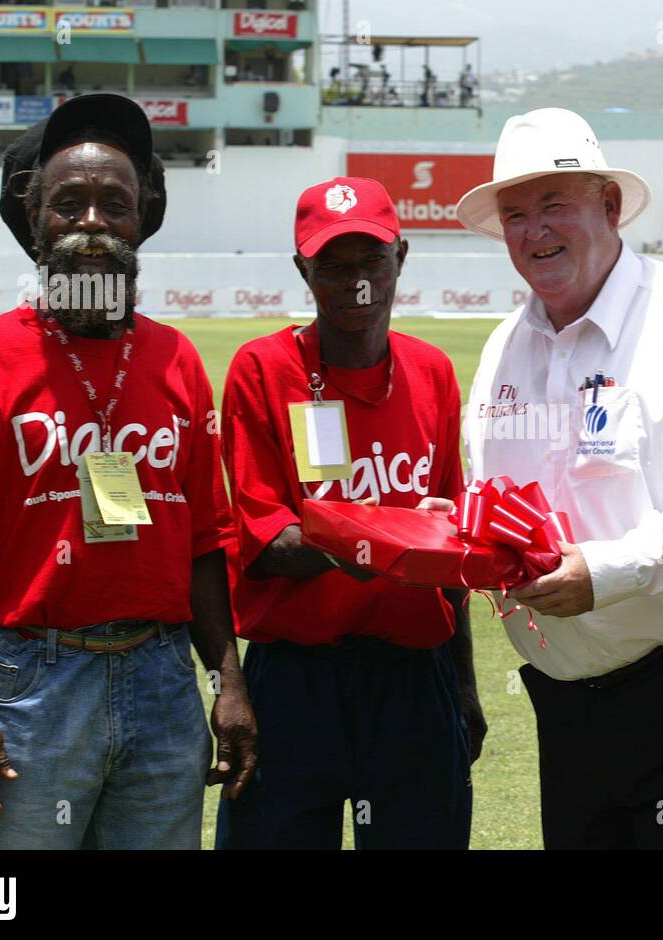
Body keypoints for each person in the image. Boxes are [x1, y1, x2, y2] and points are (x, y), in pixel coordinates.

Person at [0, 94, 257, 850]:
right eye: (69, 203)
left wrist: (227, 679)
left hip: (163, 680)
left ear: (141, 220)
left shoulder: (178, 361)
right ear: (33, 217)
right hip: (29, 683)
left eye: (114, 204)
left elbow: (206, 541)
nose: (93, 222)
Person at [445, 108, 663, 849]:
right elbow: (490, 495)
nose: (534, 231)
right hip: (566, 707)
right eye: (516, 214)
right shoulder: (504, 347)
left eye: (555, 204)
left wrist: (606, 572)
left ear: (610, 205)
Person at [215, 177, 480, 850]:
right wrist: (380, 543)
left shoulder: (432, 373)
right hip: (296, 677)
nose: (355, 280)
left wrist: (465, 684)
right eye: (333, 264)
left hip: (415, 676)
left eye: (371, 260)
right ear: (302, 268)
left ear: (402, 257)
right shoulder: (261, 370)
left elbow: (454, 555)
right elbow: (266, 540)